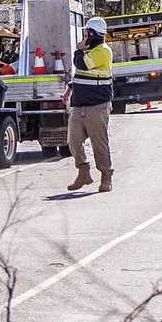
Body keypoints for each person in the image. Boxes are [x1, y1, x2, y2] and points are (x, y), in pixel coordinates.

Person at [66, 15, 115, 192]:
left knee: (99, 142)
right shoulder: (89, 51)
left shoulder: (103, 51)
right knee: (73, 141)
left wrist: (78, 50)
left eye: (86, 33)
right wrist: (69, 89)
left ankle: (106, 175)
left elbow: (82, 64)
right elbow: (81, 75)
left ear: (93, 34)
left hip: (97, 105)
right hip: (79, 104)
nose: (84, 36)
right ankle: (83, 172)